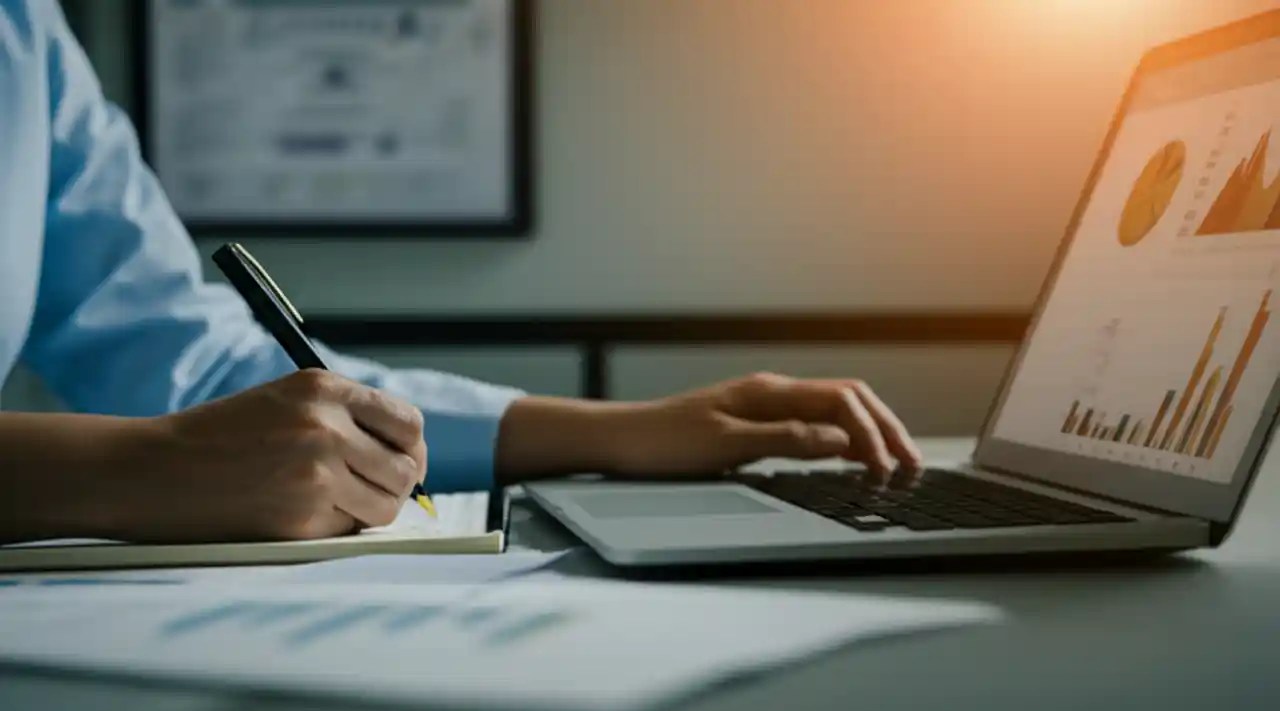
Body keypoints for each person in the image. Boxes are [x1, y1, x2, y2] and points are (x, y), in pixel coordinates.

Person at [0, 0, 921, 544]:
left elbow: (205, 375)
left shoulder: (25, 32)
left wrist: (623, 434)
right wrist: (142, 469)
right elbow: (188, 439)